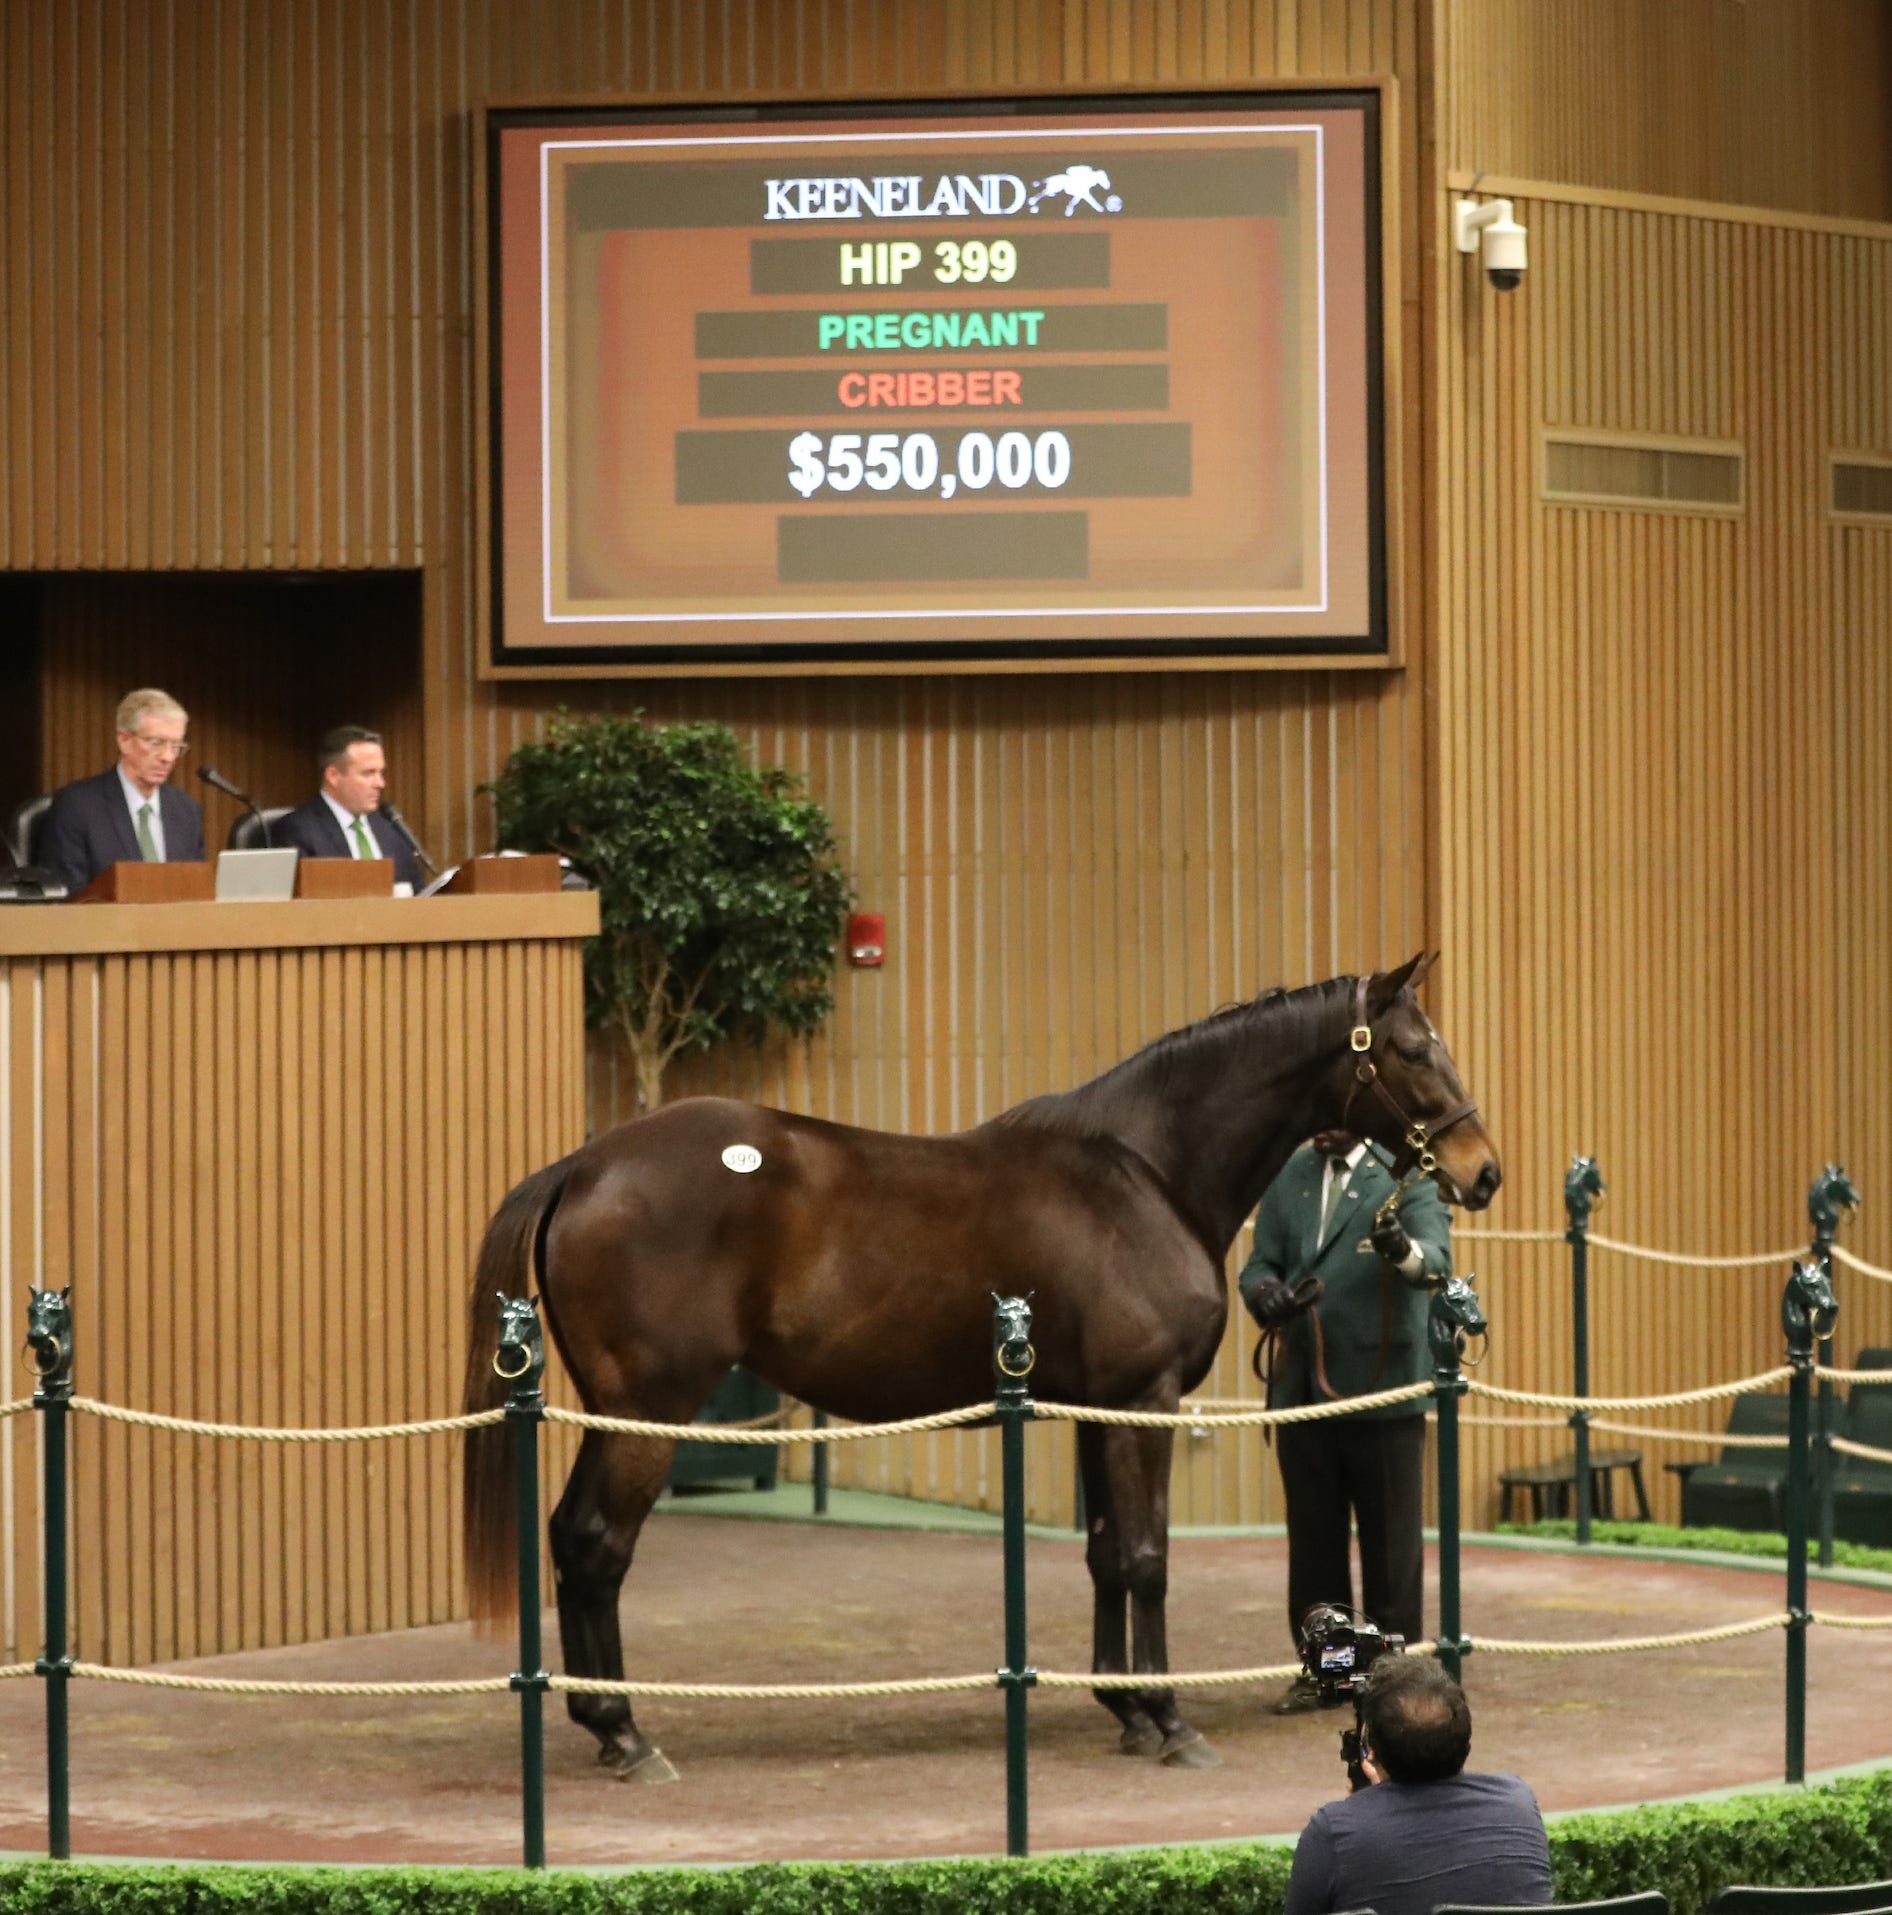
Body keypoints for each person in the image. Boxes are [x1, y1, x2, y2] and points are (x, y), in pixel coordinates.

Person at [1240, 1127, 1452, 1713]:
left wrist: (1401, 1249)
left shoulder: (1405, 1173)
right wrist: (1265, 1294)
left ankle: (1391, 1680)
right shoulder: (1292, 1174)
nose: (1324, 1127)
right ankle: (1331, 1675)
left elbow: (1436, 1262)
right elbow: (1260, 1262)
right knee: (1313, 1545)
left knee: (1391, 1548)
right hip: (1303, 1391)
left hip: (1383, 1395)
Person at [1284, 1655, 1552, 1915]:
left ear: (1372, 1751)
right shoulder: (1517, 1802)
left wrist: (1364, 1806)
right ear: (1465, 1741)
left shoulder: (1332, 1830)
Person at [40, 688, 207, 897]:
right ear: (124, 740)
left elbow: (197, 895)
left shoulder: (186, 811)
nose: (168, 757)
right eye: (157, 743)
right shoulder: (77, 806)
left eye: (176, 746)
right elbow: (69, 896)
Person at [274, 725, 423, 892]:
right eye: (368, 773)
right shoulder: (298, 830)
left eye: (381, 773)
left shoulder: (389, 826)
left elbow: (418, 892)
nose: (380, 784)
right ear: (333, 776)